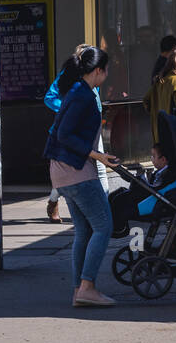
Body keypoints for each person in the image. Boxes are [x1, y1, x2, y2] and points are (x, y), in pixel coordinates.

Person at [43, 47, 120, 307]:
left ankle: (80, 290)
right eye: (106, 70)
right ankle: (87, 287)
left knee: (84, 230)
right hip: (76, 170)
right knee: (103, 226)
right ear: (98, 71)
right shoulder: (83, 95)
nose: (107, 75)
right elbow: (65, 134)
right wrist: (97, 156)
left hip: (65, 171)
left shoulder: (77, 90)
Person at [44, 43, 110, 221]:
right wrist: (68, 112)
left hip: (89, 130)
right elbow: (50, 99)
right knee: (72, 171)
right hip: (74, 134)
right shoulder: (76, 84)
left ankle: (103, 204)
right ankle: (55, 201)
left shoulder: (89, 83)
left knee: (93, 169)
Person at [142, 48, 176, 145]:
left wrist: (155, 112)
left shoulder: (161, 80)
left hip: (159, 135)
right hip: (174, 137)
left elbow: (146, 100)